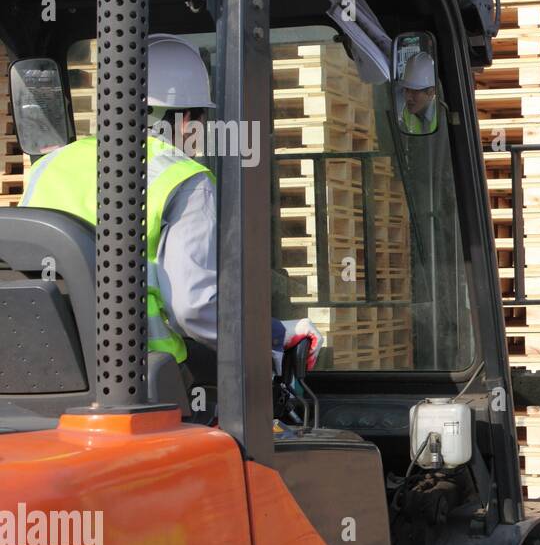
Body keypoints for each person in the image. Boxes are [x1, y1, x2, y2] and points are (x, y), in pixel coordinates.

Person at [20, 34, 323, 387]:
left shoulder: (50, 165)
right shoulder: (184, 179)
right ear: (186, 119)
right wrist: (274, 333)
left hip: (47, 375)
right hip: (140, 385)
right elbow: (194, 308)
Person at [397, 51, 439, 134]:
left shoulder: (442, 117)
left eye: (415, 91)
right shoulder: (406, 113)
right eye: (406, 90)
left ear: (431, 92)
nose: (408, 97)